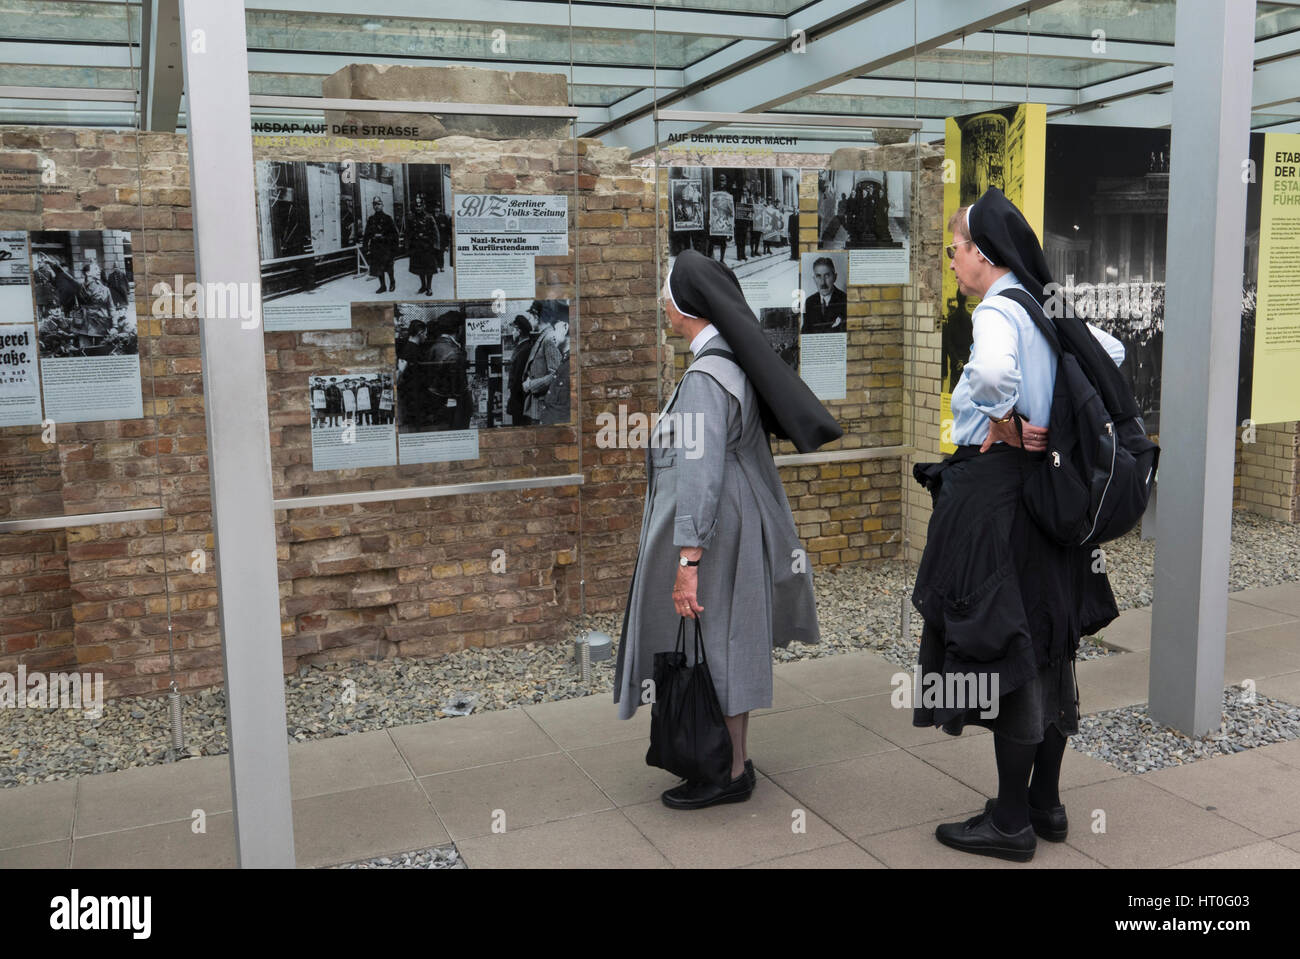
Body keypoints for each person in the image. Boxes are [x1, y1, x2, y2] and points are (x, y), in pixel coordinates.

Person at [912, 188, 1126, 863]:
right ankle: (1046, 802)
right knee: (1052, 639)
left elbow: (996, 372)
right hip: (1051, 502)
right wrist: (1053, 418)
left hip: (1003, 496)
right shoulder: (1043, 305)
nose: (952, 261)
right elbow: (1111, 353)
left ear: (983, 253)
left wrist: (1006, 416)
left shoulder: (1000, 310)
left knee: (1012, 652)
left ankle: (1009, 820)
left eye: (956, 250)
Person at [614, 249, 838, 811]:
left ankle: (727, 772)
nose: (664, 305)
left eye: (666, 294)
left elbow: (700, 473)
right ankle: (731, 761)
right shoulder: (727, 361)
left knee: (719, 644)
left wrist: (688, 561)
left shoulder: (706, 376)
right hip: (735, 520)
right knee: (729, 641)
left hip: (716, 531)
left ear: (685, 306)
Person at [521, 314, 563, 424]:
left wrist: (531, 385)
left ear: (536, 317)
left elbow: (557, 376)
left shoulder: (549, 338)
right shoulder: (544, 337)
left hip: (543, 407)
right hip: (538, 406)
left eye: (529, 317)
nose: (527, 321)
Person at [801, 257, 847, 333]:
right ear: (814, 279)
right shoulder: (809, 302)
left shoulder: (846, 300)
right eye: (818, 276)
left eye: (827, 276)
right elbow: (805, 332)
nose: (823, 283)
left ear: (835, 277)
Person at [362, 196, 397, 294]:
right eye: (374, 204)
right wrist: (365, 247)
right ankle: (382, 286)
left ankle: (392, 282)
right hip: (375, 248)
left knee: (389, 267)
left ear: (382, 205)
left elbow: (394, 234)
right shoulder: (371, 219)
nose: (376, 206)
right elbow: (367, 234)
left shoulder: (388, 219)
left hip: (386, 247)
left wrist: (383, 237)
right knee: (378, 268)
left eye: (378, 204)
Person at [540, 316, 571, 426]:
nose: (551, 335)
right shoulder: (565, 362)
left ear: (565, 327)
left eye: (553, 329)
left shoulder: (570, 364)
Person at [408, 194, 440, 296]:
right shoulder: (412, 218)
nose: (418, 208)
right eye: (416, 206)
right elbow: (409, 232)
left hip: (427, 247)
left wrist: (435, 246)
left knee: (429, 269)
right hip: (417, 247)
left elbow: (435, 232)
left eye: (420, 206)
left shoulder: (429, 217)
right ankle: (423, 286)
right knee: (419, 268)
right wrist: (409, 245)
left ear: (423, 206)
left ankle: (429, 287)